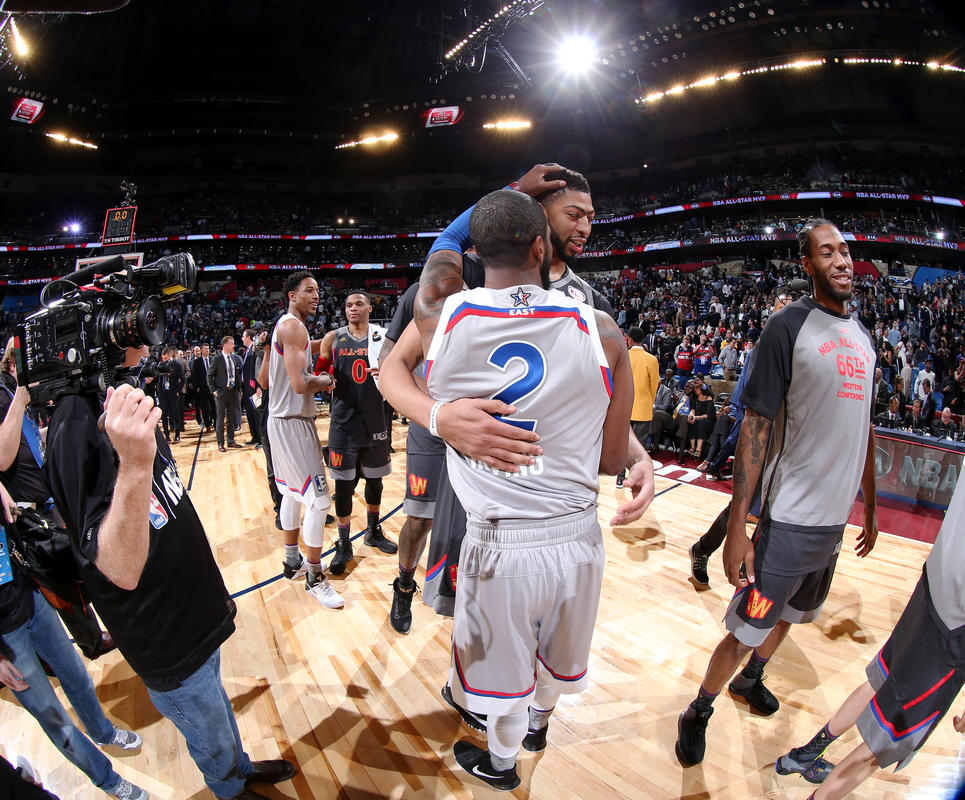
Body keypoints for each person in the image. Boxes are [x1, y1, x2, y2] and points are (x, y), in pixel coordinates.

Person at [380, 189, 642, 791]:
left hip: (500, 540)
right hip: (577, 534)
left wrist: (439, 417)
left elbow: (389, 370)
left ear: (476, 252)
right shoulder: (601, 329)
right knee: (553, 667)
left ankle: (501, 765)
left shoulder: (444, 312)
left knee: (501, 686)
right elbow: (611, 456)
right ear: (541, 246)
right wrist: (634, 455)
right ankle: (540, 728)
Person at [44, 352, 297, 799]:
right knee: (208, 732)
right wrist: (135, 463)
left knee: (216, 706)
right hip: (164, 633)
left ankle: (239, 767)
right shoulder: (74, 423)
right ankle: (229, 788)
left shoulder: (114, 388)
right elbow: (118, 568)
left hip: (191, 610)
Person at [675, 218, 879, 767]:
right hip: (787, 521)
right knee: (749, 625)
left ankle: (752, 679)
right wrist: (738, 527)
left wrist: (871, 506)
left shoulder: (864, 338)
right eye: (827, 252)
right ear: (807, 264)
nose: (841, 261)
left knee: (792, 615)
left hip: (832, 525)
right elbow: (756, 427)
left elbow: (864, 429)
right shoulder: (788, 326)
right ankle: (699, 709)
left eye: (845, 250)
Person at [776, 478, 965, 798]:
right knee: (887, 742)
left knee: (883, 678)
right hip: (956, 625)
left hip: (938, 579)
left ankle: (806, 754)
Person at [0, 480, 146, 800]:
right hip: (6, 639)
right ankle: (107, 780)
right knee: (54, 717)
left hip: (30, 598)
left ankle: (103, 732)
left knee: (77, 676)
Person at [0, 339, 111, 659]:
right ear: (14, 366)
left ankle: (89, 637)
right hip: (28, 513)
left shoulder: (11, 395)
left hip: (45, 499)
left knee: (70, 571)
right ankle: (91, 642)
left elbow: (28, 442)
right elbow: (3, 458)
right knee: (63, 581)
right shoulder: (7, 396)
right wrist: (20, 399)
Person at [257, 271, 343, 609]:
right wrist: (325, 379)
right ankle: (315, 577)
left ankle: (292, 561)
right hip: (293, 422)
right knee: (320, 501)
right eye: (309, 290)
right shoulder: (294, 327)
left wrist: (322, 344)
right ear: (291, 295)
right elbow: (299, 383)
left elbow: (264, 381)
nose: (316, 296)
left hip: (278, 421)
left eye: (317, 291)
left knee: (292, 493)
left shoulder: (285, 327)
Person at [378, 282, 447, 634]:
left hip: (476, 426)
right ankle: (404, 586)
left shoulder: (497, 284)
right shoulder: (422, 291)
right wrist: (428, 406)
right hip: (429, 424)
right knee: (420, 519)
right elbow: (387, 361)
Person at [314, 292, 397, 576]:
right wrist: (325, 379)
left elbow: (399, 369)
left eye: (358, 304)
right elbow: (320, 370)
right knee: (344, 486)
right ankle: (343, 542)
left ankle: (373, 530)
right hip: (344, 423)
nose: (353, 308)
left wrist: (386, 372)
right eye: (348, 304)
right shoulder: (333, 337)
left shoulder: (383, 337)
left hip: (375, 420)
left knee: (375, 482)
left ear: (370, 308)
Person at [616, 326, 658, 489]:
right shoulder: (651, 359)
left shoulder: (623, 356)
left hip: (624, 407)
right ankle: (636, 480)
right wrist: (649, 401)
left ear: (630, 339)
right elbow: (654, 385)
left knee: (622, 444)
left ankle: (620, 478)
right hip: (643, 407)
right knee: (639, 447)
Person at [208, 336, 243, 453]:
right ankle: (220, 443)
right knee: (220, 419)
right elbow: (209, 375)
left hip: (232, 391)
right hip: (221, 393)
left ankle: (231, 440)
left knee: (231, 419)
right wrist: (214, 390)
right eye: (231, 344)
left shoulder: (233, 358)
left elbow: (236, 374)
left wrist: (238, 389)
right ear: (225, 345)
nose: (234, 345)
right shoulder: (217, 359)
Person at [239, 329, 263, 448]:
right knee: (250, 413)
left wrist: (259, 386)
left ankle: (262, 439)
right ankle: (255, 436)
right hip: (247, 387)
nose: (242, 339)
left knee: (257, 413)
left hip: (254, 387)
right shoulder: (247, 351)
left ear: (249, 337)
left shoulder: (256, 349)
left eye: (244, 336)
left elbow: (259, 368)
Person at [156, 347, 185, 445]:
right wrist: (159, 391)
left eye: (165, 358)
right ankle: (167, 436)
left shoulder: (177, 365)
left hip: (173, 393)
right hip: (163, 394)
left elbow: (183, 379)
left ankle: (177, 435)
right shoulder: (160, 365)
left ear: (170, 356)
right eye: (163, 358)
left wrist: (177, 391)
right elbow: (159, 379)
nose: (164, 360)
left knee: (175, 414)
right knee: (164, 415)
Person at [190, 343, 215, 431]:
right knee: (205, 408)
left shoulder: (212, 359)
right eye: (205, 349)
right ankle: (208, 425)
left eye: (208, 348)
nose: (207, 350)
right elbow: (194, 375)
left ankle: (216, 423)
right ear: (201, 350)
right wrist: (197, 387)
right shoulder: (197, 362)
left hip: (213, 387)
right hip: (203, 388)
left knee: (214, 406)